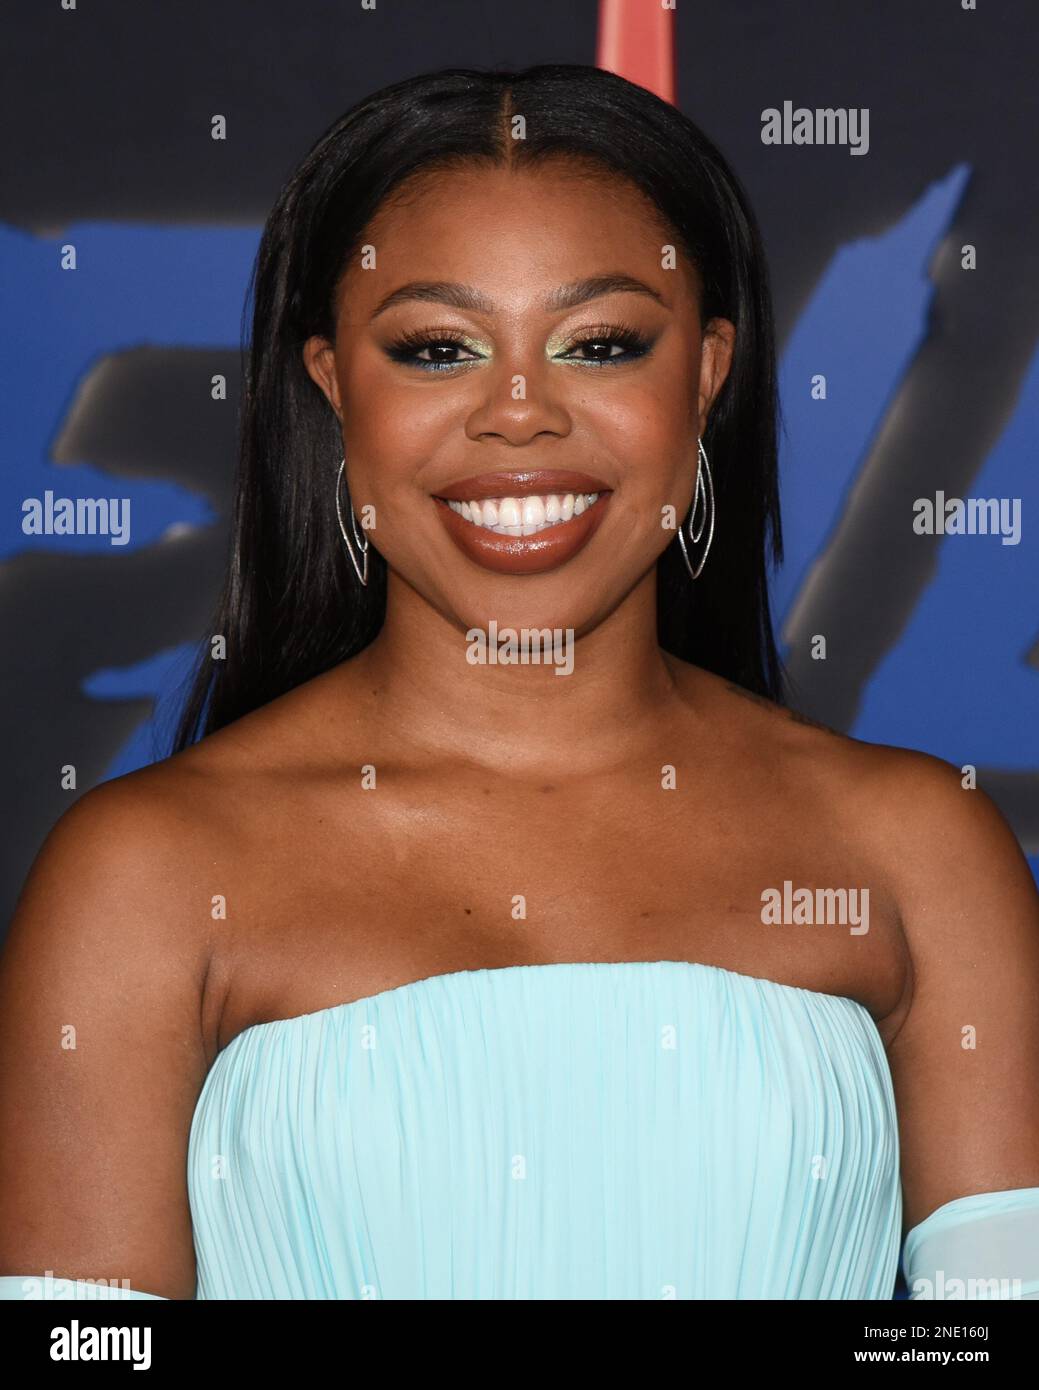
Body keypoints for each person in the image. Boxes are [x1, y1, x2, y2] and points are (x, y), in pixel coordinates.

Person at [1, 64, 1037, 1301]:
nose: (519, 415)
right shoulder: (143, 873)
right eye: (439, 348)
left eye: (598, 343)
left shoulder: (917, 852)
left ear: (704, 374)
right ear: (334, 385)